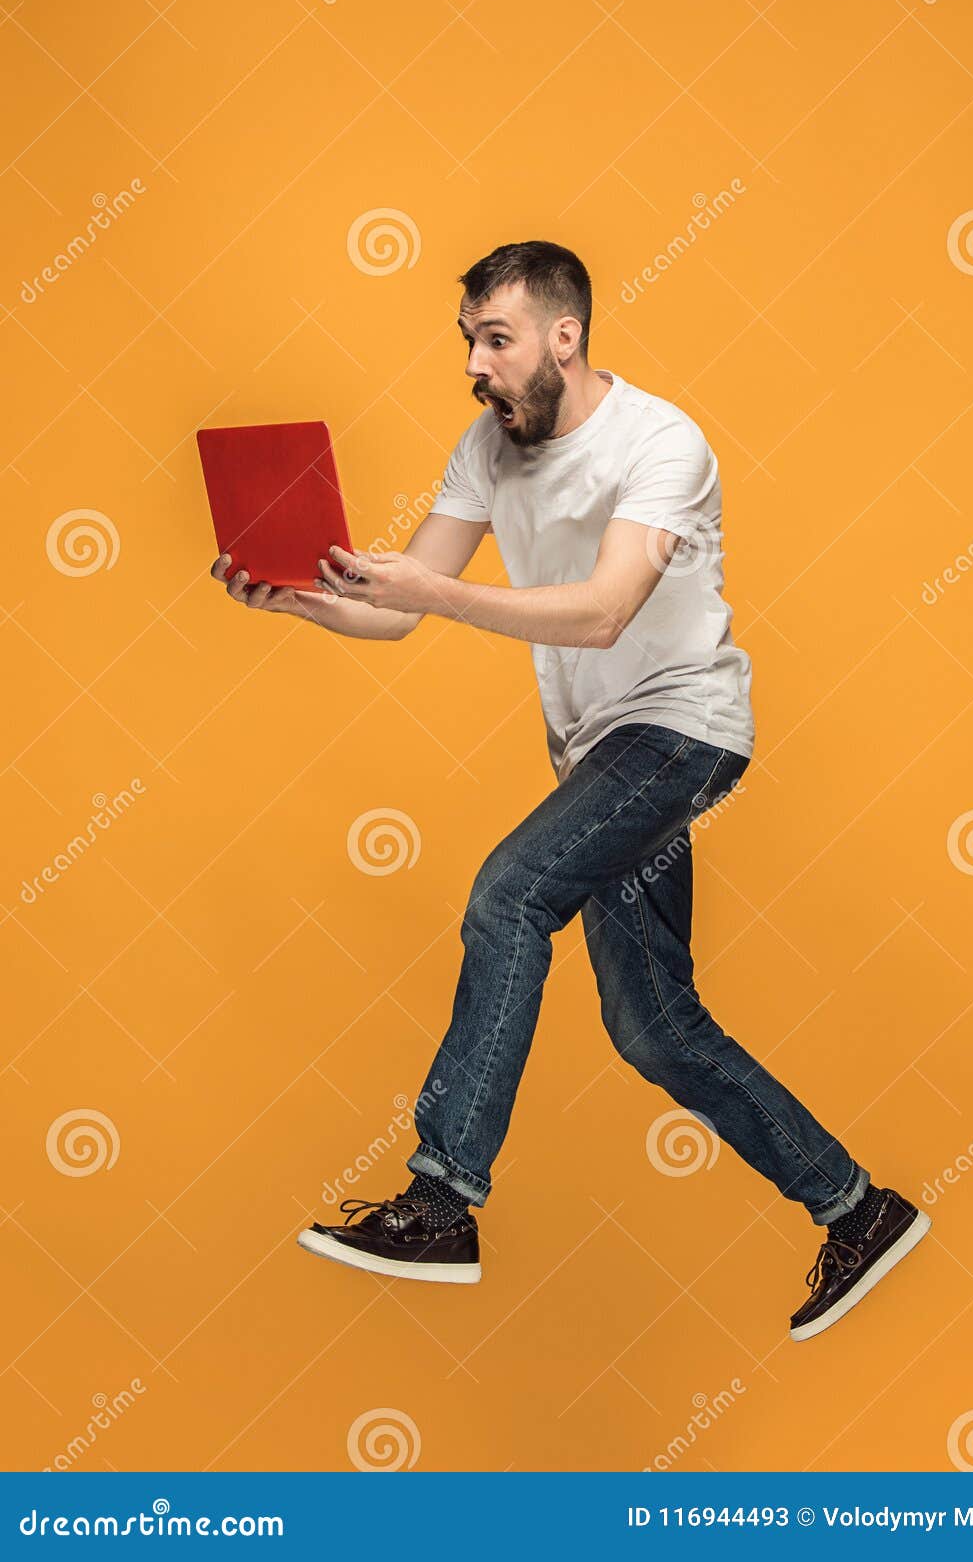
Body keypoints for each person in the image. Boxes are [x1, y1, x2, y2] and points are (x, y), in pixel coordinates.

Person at [211, 240, 930, 1341]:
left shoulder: (660, 443)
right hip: (598, 754)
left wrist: (437, 593)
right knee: (652, 1028)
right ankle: (856, 1207)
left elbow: (601, 611)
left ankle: (443, 1196)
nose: (474, 365)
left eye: (494, 340)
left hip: (680, 728)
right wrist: (296, 597)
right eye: (466, 342)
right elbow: (400, 606)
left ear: (563, 334)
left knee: (509, 894)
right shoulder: (485, 450)